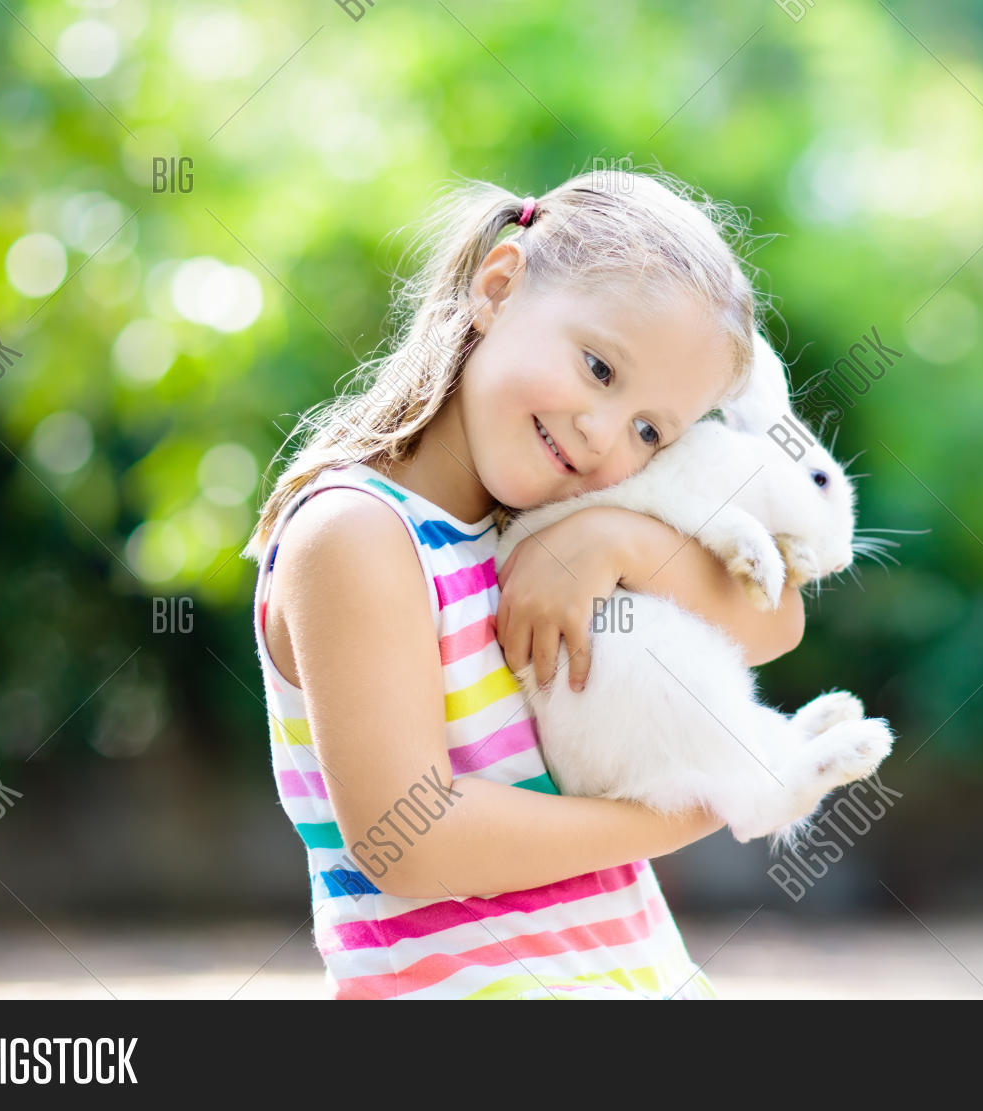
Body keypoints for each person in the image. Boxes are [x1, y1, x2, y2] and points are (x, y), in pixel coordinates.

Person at [240, 170, 805, 998]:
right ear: (497, 288)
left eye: (651, 430)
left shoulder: (544, 529)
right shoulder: (358, 534)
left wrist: (604, 538)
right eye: (600, 369)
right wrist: (697, 806)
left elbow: (776, 617)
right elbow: (409, 839)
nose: (603, 431)